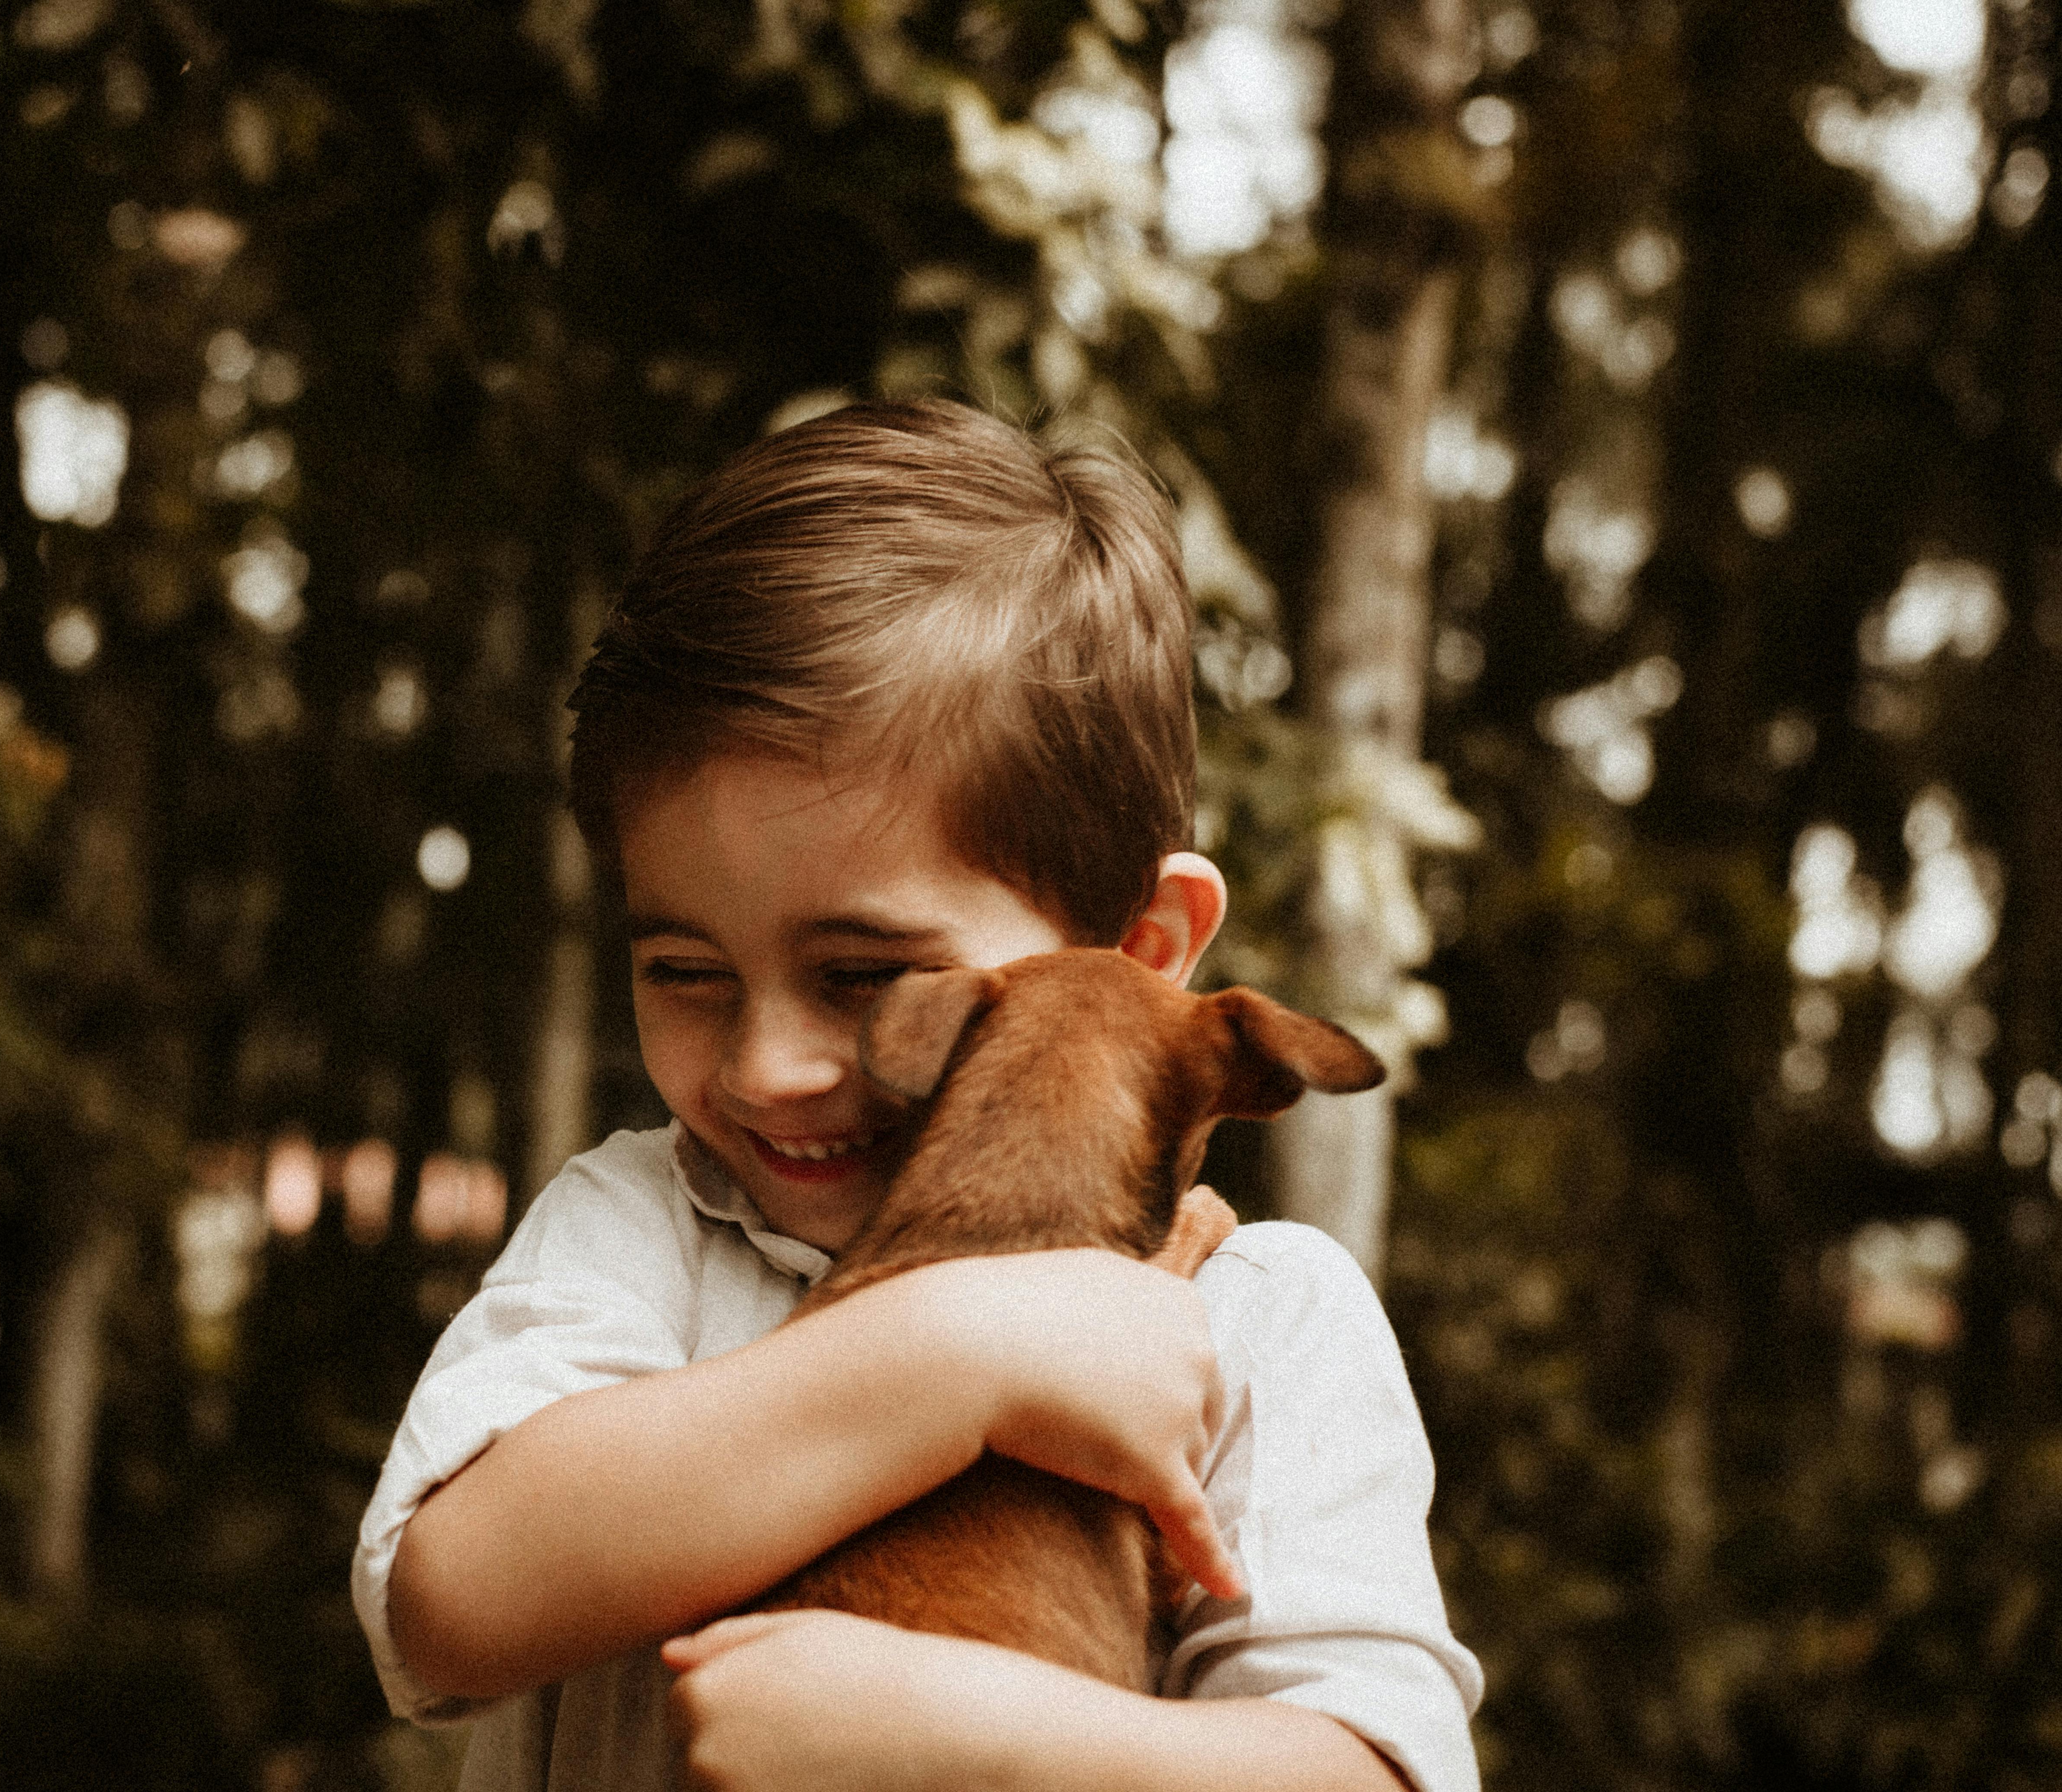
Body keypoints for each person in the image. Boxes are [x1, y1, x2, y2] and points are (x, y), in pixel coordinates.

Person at [351, 399, 1482, 1792]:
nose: (766, 1068)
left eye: (871, 977)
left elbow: (1367, 1774)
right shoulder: (647, 1232)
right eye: (687, 972)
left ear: (1140, 956)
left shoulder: (1260, 1323)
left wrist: (953, 1732)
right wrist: (967, 1353)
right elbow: (451, 1603)